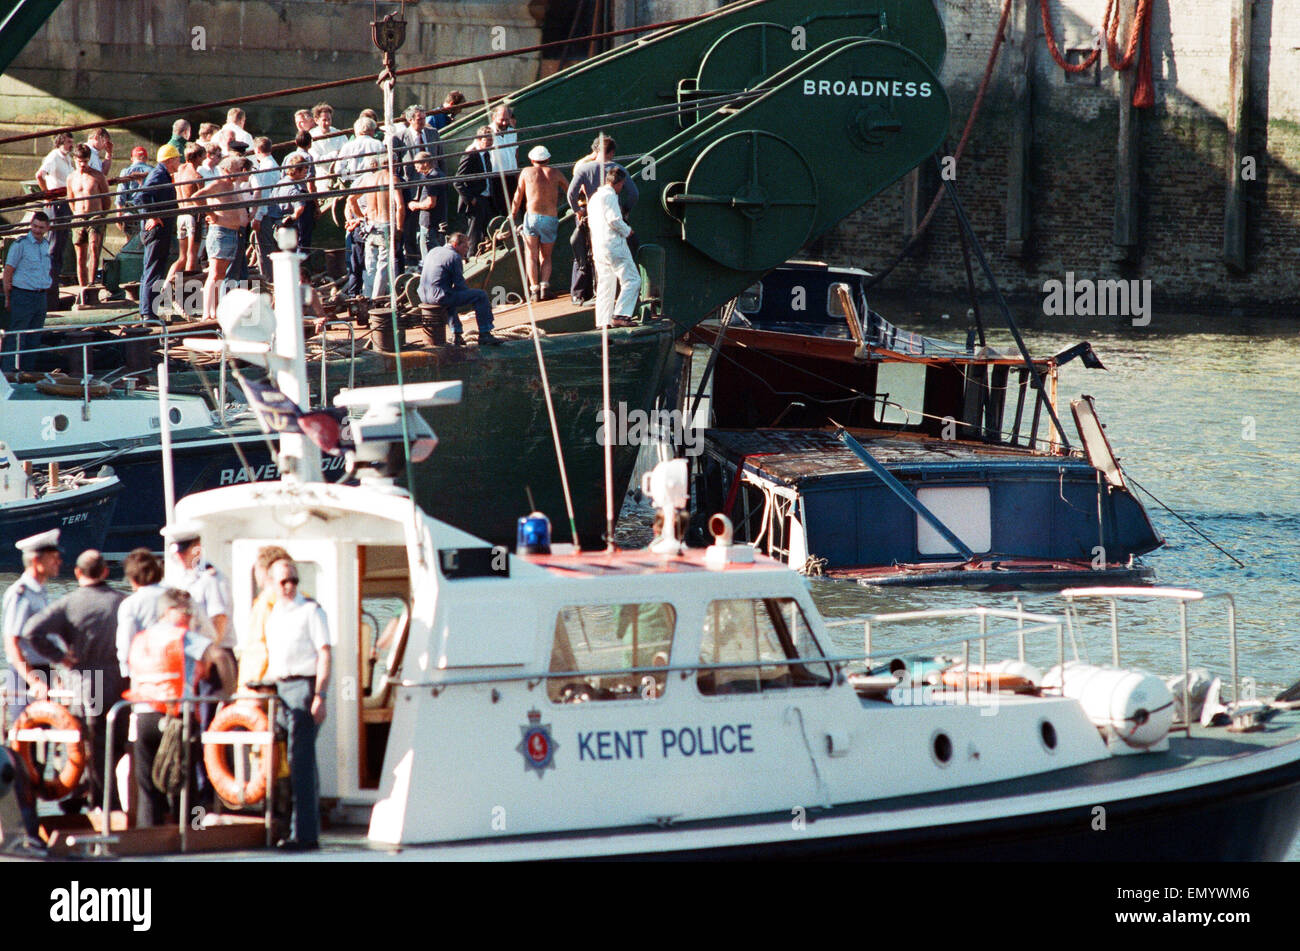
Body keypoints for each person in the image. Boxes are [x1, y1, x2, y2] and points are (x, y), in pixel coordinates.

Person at [24, 550, 127, 811]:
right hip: (117, 682)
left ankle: (86, 797)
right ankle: (106, 802)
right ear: (105, 572)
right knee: (113, 745)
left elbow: (31, 631)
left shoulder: (68, 604)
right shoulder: (122, 603)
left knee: (82, 745)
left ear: (78, 573)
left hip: (81, 683)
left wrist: (60, 657)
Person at [124, 588, 213, 826]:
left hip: (144, 716)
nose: (189, 616)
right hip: (177, 716)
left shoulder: (141, 638)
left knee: (147, 784)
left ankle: (148, 834)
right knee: (188, 782)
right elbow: (218, 656)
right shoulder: (184, 637)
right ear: (168, 611)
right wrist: (226, 690)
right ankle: (195, 828)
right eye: (186, 611)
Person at [263, 558, 330, 850]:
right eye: (283, 581)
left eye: (294, 580)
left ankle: (305, 835)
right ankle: (295, 829)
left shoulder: (311, 611)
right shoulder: (275, 613)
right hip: (280, 688)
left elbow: (325, 654)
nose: (289, 586)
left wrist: (320, 695)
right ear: (272, 584)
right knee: (292, 763)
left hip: (304, 687)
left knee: (300, 762)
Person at [2, 530, 61, 722]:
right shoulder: (20, 593)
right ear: (36, 561)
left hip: (42, 672)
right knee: (26, 741)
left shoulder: (40, 592)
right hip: (24, 677)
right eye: (53, 558)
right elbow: (12, 642)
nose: (58, 562)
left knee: (42, 740)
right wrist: (33, 681)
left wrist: (54, 675)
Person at [189, 155, 254, 321]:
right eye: (237, 170)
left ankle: (214, 310)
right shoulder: (218, 184)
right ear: (227, 170)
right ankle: (207, 312)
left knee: (221, 275)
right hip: (220, 232)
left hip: (231, 233)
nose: (240, 173)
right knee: (215, 274)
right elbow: (196, 197)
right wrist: (211, 213)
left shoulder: (232, 186)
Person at [418, 232, 499, 347]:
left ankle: (456, 334)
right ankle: (485, 333)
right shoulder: (454, 257)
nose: (467, 250)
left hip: (423, 295)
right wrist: (474, 300)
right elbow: (460, 286)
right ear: (456, 245)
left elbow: (420, 268)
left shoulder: (434, 250)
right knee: (480, 296)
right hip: (438, 296)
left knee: (449, 295)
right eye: (465, 246)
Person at [510, 145, 569, 301]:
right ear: (547, 159)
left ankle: (534, 290)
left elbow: (518, 196)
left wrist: (512, 215)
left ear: (531, 159)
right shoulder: (556, 173)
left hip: (532, 217)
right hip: (550, 218)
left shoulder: (526, 172)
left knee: (531, 255)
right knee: (546, 256)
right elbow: (570, 190)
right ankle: (544, 287)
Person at [589, 166, 641, 328]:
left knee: (606, 283)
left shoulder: (595, 197)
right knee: (632, 280)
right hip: (614, 245)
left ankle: (602, 322)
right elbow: (613, 219)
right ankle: (621, 315)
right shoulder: (610, 196)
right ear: (620, 183)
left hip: (598, 246)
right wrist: (627, 231)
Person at [234, 544, 292, 689]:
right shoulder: (292, 600)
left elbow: (261, 644)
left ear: (263, 570)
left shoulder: (268, 602)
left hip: (260, 682)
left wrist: (257, 682)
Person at [2, 211, 53, 371]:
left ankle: (27, 374)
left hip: (40, 296)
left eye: (41, 227)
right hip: (22, 295)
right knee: (17, 338)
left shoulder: (45, 245)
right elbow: (8, 272)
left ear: (47, 228)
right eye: (35, 226)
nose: (37, 230)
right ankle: (8, 375)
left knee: (34, 337)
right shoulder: (20, 245)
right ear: (31, 225)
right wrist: (8, 298)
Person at [138, 145, 182, 321]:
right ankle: (148, 312)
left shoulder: (163, 175)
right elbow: (141, 196)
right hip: (156, 230)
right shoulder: (158, 174)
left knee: (153, 269)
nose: (179, 162)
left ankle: (149, 310)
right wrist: (153, 215)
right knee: (152, 269)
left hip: (161, 230)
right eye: (177, 159)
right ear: (169, 160)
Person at [65, 144, 111, 297]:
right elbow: (71, 199)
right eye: (80, 161)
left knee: (94, 248)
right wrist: (77, 213)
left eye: (85, 161)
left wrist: (100, 216)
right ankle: (82, 288)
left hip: (95, 216)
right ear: (75, 160)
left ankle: (91, 285)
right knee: (80, 255)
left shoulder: (98, 176)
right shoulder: (71, 178)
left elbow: (106, 200)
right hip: (79, 216)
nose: (83, 164)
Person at [115, 548, 167, 680]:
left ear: (132, 577)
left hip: (146, 671)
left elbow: (125, 642)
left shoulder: (130, 604)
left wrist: (126, 671)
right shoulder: (177, 596)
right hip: (177, 667)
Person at [164, 143, 205, 303]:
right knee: (192, 256)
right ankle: (189, 294)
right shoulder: (196, 176)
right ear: (197, 157)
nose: (204, 159)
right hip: (193, 216)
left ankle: (166, 285)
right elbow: (202, 200)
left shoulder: (179, 171)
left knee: (181, 256)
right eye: (202, 156)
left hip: (180, 215)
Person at [35, 132, 75, 301]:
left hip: (65, 203)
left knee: (60, 245)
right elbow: (40, 175)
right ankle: (49, 287)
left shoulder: (68, 158)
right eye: (68, 142)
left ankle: (53, 285)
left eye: (72, 142)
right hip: (56, 203)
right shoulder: (54, 157)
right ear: (60, 143)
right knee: (54, 244)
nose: (71, 145)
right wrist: (47, 194)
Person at [358, 157, 404, 300]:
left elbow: (351, 200)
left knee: (370, 266)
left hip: (371, 225)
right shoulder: (393, 179)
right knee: (383, 266)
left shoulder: (369, 179)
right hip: (386, 225)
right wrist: (400, 228)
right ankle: (376, 300)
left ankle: (367, 298)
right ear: (394, 164)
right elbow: (400, 206)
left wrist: (362, 217)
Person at [454, 127, 494, 259]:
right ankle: (469, 258)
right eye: (487, 140)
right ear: (478, 139)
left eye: (491, 139)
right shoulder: (471, 155)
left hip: (486, 199)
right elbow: (457, 181)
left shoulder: (487, 155)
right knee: (474, 234)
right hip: (476, 200)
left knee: (488, 230)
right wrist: (470, 199)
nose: (490, 142)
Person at [248, 137, 281, 278]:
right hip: (270, 211)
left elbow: (264, 194)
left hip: (265, 213)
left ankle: (268, 278)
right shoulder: (272, 165)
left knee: (265, 249)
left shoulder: (267, 168)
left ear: (257, 150)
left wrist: (258, 217)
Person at [406, 151, 445, 262]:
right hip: (437, 220)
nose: (416, 169)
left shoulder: (431, 178)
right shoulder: (439, 174)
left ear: (426, 163)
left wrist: (415, 205)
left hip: (428, 222)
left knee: (429, 257)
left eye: (417, 166)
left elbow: (430, 203)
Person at [114, 146, 153, 239]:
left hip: (131, 211)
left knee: (131, 241)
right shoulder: (152, 171)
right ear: (146, 158)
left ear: (132, 158)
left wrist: (118, 213)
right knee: (147, 240)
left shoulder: (125, 172)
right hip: (148, 210)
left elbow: (121, 193)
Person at [487, 103, 518, 219]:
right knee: (499, 210)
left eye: (507, 120)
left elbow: (515, 152)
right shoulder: (487, 133)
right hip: (496, 177)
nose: (505, 123)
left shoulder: (512, 131)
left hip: (511, 176)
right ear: (493, 118)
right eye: (502, 120)